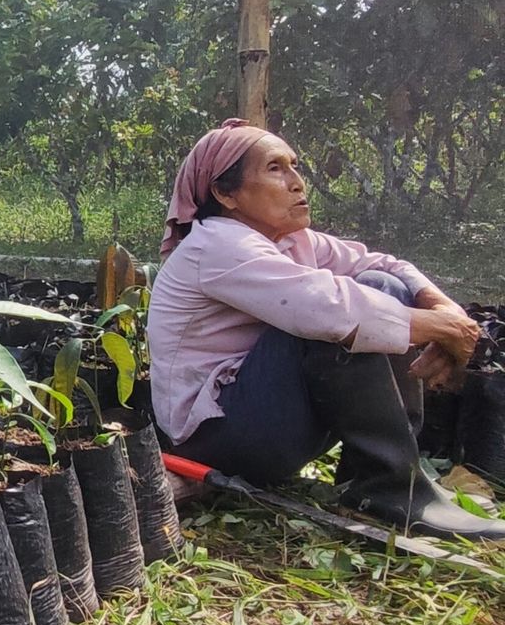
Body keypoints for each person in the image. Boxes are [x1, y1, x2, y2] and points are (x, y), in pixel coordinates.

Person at [148, 118, 504, 540]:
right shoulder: (216, 245)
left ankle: (383, 477)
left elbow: (385, 266)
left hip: (266, 422)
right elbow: (330, 309)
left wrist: (446, 312)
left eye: (295, 166)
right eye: (275, 168)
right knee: (336, 320)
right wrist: (441, 330)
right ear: (226, 194)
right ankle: (388, 488)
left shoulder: (290, 241)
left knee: (383, 286)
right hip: (216, 440)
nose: (298, 182)